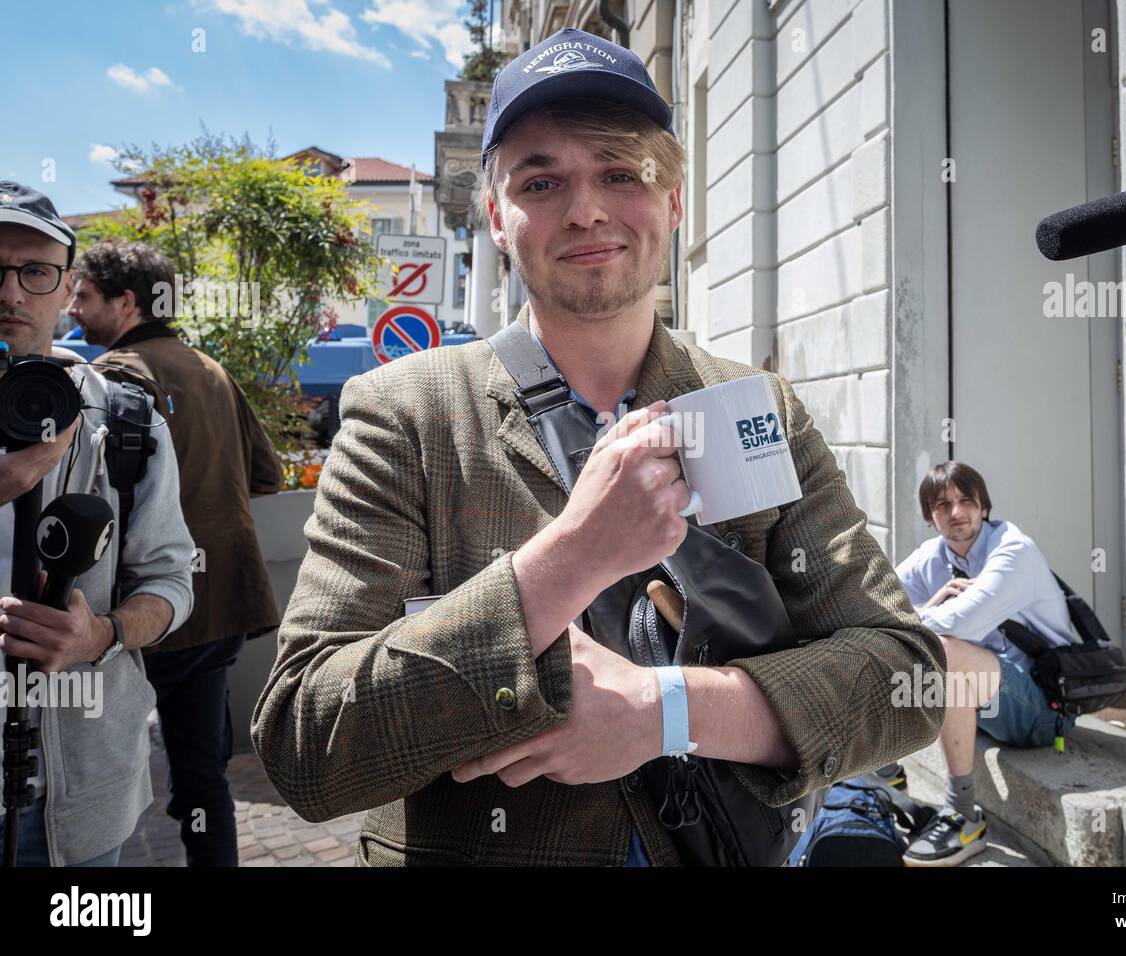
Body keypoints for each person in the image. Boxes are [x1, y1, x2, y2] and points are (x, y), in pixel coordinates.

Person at [251, 27, 945, 866]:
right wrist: (571, 558)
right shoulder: (408, 415)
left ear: (676, 202)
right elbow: (306, 742)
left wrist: (668, 712)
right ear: (500, 221)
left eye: (623, 172)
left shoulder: (751, 406)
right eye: (542, 181)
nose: (586, 209)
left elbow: (907, 673)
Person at [68, 240, 282, 866]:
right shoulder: (208, 367)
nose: (73, 310)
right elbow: (266, 474)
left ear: (126, 302)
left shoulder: (114, 374)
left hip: (151, 611)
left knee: (102, 774)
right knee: (201, 773)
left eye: (83, 295)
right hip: (222, 603)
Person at [0, 181, 194, 866]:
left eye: (34, 271)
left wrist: (101, 635)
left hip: (82, 801)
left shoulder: (127, 421)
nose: (11, 293)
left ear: (66, 290)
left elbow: (172, 580)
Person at [892, 461, 1078, 866]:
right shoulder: (934, 556)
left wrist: (921, 613)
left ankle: (963, 814)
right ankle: (883, 766)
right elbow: (873, 608)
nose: (956, 512)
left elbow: (961, 622)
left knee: (939, 650)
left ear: (984, 507)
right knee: (887, 646)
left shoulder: (1013, 549)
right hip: (988, 699)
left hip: (1044, 710)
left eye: (966, 501)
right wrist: (930, 603)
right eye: (943, 505)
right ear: (930, 516)